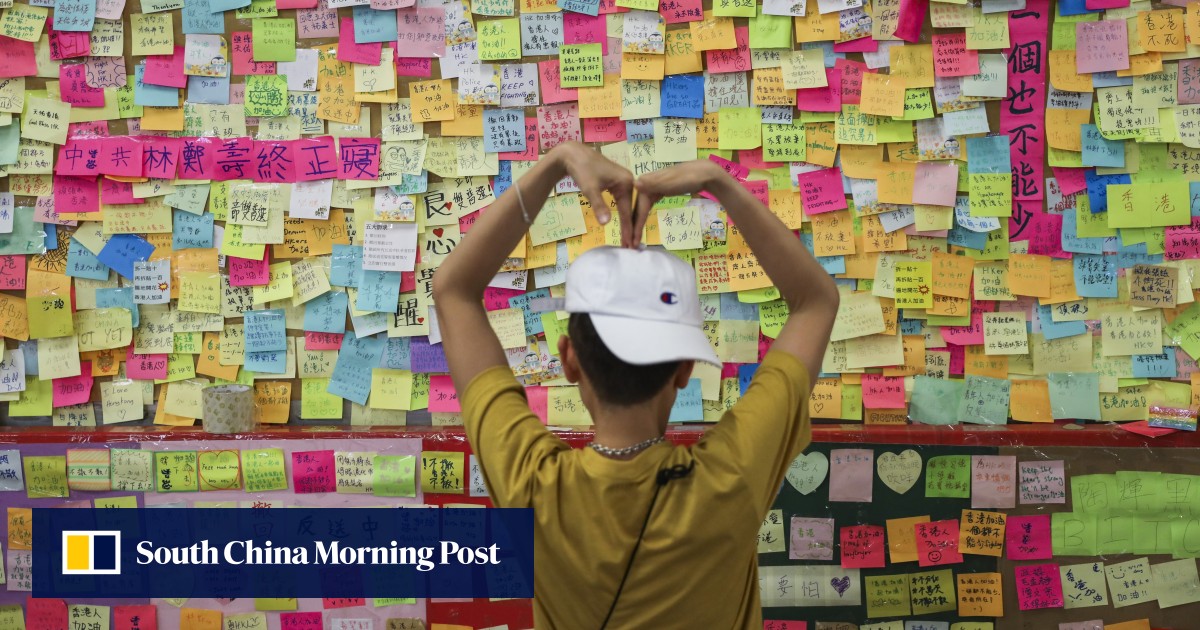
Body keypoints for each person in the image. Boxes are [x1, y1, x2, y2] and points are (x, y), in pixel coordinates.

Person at [433, 142, 840, 629]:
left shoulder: (531, 483)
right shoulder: (730, 479)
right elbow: (816, 301)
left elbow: (452, 288)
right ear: (686, 369)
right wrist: (719, 182)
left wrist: (556, 164)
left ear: (569, 361)